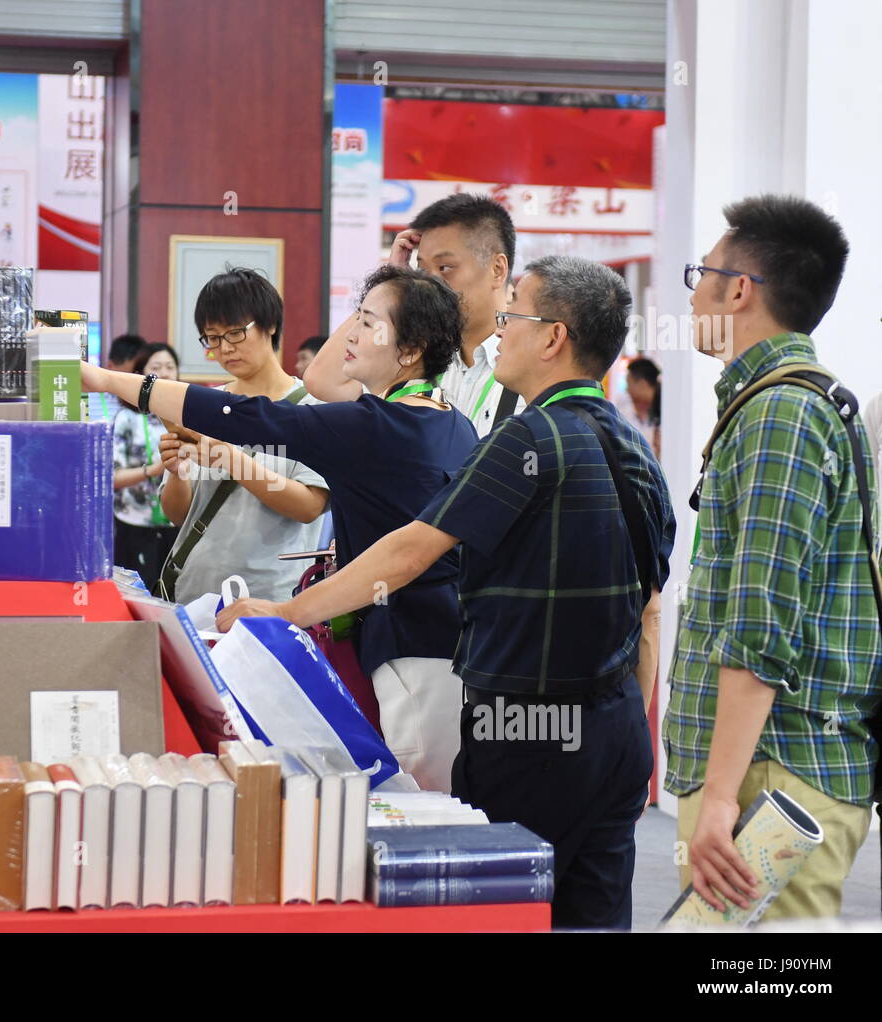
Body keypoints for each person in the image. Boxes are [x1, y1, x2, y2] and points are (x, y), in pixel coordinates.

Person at [218, 256, 675, 930]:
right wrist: (633, 732)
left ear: (553, 337)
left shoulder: (526, 437)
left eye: (513, 315)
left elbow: (409, 552)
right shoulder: (635, 450)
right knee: (593, 916)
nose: (499, 334)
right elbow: (650, 608)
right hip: (614, 733)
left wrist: (286, 612)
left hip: (529, 733)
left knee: (499, 908)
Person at [82, 266, 478, 790]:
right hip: (437, 642)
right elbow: (320, 382)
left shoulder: (376, 427)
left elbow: (252, 419)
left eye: (366, 324)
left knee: (415, 808)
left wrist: (106, 379)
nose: (351, 335)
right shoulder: (447, 419)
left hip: (411, 651)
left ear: (410, 350)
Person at [665, 194, 880, 921]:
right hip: (771, 768)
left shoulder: (780, 414)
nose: (692, 292)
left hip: (771, 778)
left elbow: (760, 624)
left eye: (702, 273)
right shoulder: (780, 404)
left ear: (738, 290)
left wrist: (721, 795)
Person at [146, 268, 329, 604]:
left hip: (266, 602)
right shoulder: (204, 405)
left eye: (234, 333)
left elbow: (308, 507)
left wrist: (233, 461)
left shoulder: (312, 408)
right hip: (190, 593)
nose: (224, 349)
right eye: (212, 338)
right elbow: (179, 516)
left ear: (270, 325)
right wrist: (176, 471)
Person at [306, 194, 523, 435]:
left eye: (445, 268)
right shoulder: (419, 354)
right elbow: (323, 382)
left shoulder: (528, 359)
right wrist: (393, 288)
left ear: (497, 269)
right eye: (422, 269)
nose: (430, 282)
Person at [111, 342, 181, 592]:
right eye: (156, 367)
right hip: (134, 525)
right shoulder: (126, 419)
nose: (164, 373)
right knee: (137, 597)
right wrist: (152, 470)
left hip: (176, 526)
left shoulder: (185, 418)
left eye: (170, 367)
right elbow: (112, 477)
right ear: (141, 375)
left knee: (173, 596)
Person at [93, 334, 149, 423]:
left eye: (140, 373)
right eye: (131, 375)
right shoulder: (90, 400)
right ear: (110, 366)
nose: (137, 381)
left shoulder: (151, 401)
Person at [623, 356, 661, 456]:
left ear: (642, 384)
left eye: (629, 384)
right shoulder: (654, 410)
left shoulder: (665, 411)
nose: (627, 390)